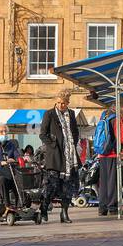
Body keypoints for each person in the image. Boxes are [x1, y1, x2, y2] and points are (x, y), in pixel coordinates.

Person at [39, 91, 81, 224]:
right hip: (55, 156)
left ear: (68, 103)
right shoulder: (49, 114)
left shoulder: (72, 114)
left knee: (67, 187)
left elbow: (75, 131)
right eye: (59, 102)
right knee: (51, 186)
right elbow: (42, 134)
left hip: (69, 157)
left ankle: (64, 213)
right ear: (56, 102)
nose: (61, 105)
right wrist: (53, 144)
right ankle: (44, 208)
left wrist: (72, 143)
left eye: (64, 103)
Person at [95, 103, 123, 216]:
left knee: (103, 182)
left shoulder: (104, 115)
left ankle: (102, 208)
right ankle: (113, 207)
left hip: (102, 153)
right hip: (112, 153)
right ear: (120, 107)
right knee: (113, 181)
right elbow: (122, 138)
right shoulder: (117, 118)